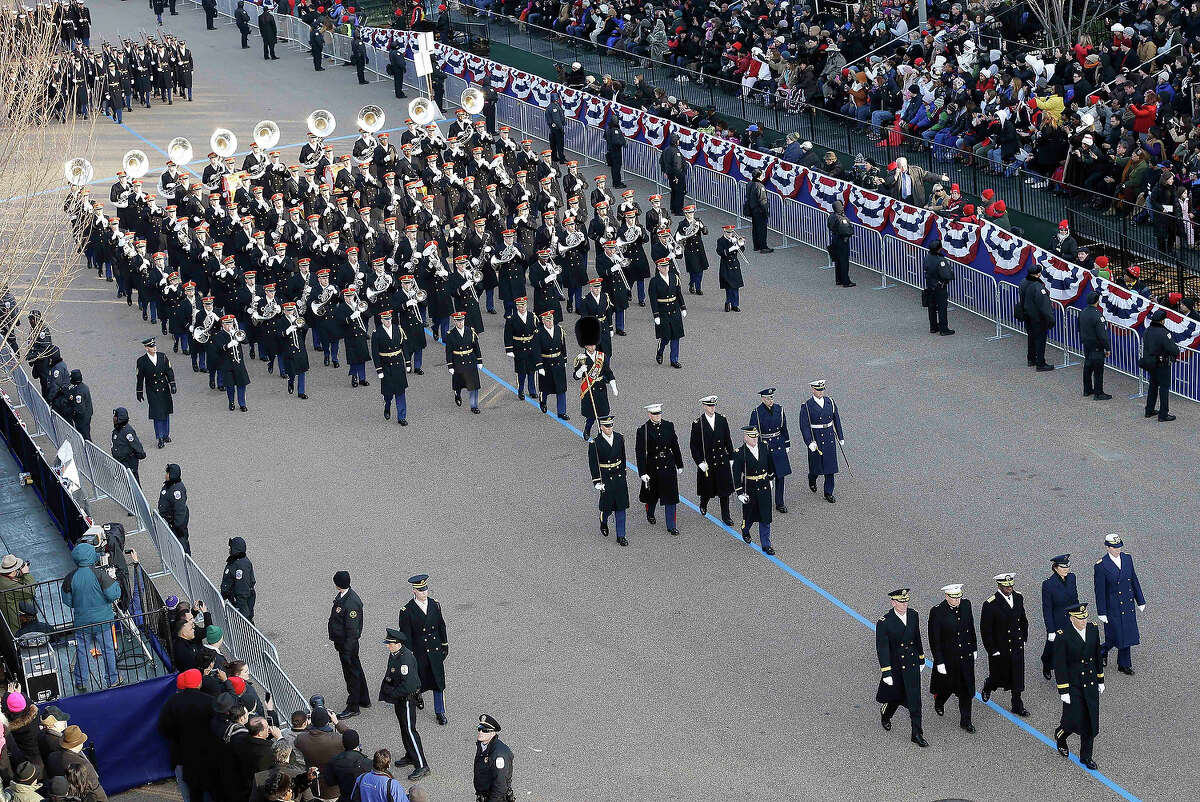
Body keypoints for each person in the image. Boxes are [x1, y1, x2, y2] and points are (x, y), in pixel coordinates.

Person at [62, 542, 122, 693]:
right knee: (108, 649)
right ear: (91, 556)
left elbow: (68, 601)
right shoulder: (100, 574)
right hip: (103, 621)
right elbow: (113, 594)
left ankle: (81, 681)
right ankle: (112, 679)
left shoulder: (70, 577)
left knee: (82, 650)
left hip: (82, 622)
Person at [1053, 602, 1103, 770]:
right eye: (1080, 619)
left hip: (1089, 683)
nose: (1084, 621)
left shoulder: (1093, 629)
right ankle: (1060, 735)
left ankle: (1086, 757)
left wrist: (1100, 679)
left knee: (1090, 720)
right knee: (1072, 720)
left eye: (1085, 618)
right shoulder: (1063, 636)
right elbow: (1059, 664)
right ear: (1071, 618)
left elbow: (1096, 656)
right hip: (1073, 685)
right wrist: (1063, 689)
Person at [876, 588, 927, 747]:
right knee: (896, 697)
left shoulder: (913, 615)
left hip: (911, 662)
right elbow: (882, 648)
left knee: (915, 700)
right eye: (901, 601)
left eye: (906, 601)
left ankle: (916, 733)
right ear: (893, 602)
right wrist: (886, 672)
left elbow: (917, 637)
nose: (904, 604)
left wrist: (921, 658)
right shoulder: (884, 622)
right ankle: (886, 714)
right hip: (896, 664)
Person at [397, 575, 449, 727]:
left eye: (425, 589)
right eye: (420, 590)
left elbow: (441, 626)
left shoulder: (434, 605)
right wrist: (408, 654)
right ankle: (417, 695)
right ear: (414, 591)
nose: (424, 592)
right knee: (418, 680)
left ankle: (440, 711)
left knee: (438, 682)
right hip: (419, 651)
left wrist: (444, 644)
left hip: (434, 650)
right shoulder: (407, 611)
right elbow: (406, 635)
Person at [378, 629, 429, 782]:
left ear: (398, 644)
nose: (388, 646)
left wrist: (392, 693)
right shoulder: (395, 654)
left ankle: (422, 764)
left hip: (406, 699)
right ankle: (410, 754)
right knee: (403, 728)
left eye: (390, 644)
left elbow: (409, 685)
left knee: (410, 730)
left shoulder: (405, 659)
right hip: (399, 699)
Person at [928, 583, 977, 733]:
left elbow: (971, 627)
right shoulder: (937, 612)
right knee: (947, 686)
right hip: (949, 658)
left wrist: (974, 647)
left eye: (959, 597)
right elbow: (934, 638)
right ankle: (939, 701)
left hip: (965, 657)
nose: (957, 601)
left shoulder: (966, 605)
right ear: (947, 596)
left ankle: (966, 720)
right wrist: (939, 661)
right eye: (954, 598)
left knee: (966, 690)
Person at [1094, 533, 1146, 676]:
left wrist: (1140, 600)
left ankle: (1124, 664)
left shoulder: (1127, 559)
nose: (1118, 550)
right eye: (1114, 547)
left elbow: (1133, 580)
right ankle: (1101, 652)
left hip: (1127, 604)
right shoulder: (1101, 566)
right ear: (1107, 548)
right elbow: (1100, 591)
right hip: (1113, 607)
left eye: (1119, 547)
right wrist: (1102, 612)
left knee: (1127, 635)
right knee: (1114, 636)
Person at [980, 572, 1030, 716]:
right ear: (999, 586)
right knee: (998, 676)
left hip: (1016, 645)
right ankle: (988, 686)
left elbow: (1023, 620)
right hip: (1000, 647)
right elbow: (986, 629)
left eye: (1011, 586)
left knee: (1018, 676)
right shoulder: (990, 604)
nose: (1010, 589)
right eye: (1006, 587)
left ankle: (1017, 705)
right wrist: (992, 649)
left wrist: (1024, 638)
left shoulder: (1018, 597)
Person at [635, 403, 684, 537]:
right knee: (652, 496)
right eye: (655, 414)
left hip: (668, 464)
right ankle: (650, 512)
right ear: (650, 414)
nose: (658, 416)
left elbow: (675, 445)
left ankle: (672, 526)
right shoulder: (643, 430)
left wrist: (679, 464)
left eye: (659, 413)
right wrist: (642, 472)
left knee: (671, 497)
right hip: (653, 466)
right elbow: (640, 453)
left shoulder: (669, 426)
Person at [329, 570, 371, 718]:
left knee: (351, 675)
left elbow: (352, 631)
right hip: (345, 643)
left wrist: (346, 651)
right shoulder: (344, 596)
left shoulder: (351, 602)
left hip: (348, 645)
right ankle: (364, 699)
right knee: (356, 670)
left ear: (337, 584)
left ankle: (353, 706)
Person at [689, 395, 734, 525]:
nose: (712, 408)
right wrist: (699, 462)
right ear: (704, 406)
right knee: (708, 490)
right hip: (708, 462)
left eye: (713, 405)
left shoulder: (722, 420)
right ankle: (703, 503)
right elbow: (694, 446)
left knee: (724, 491)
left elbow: (727, 439)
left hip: (721, 461)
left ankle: (726, 516)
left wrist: (731, 457)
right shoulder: (698, 424)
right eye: (709, 405)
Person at [797, 380, 845, 503]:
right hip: (816, 437)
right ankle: (812, 478)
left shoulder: (830, 402)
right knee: (816, 466)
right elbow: (804, 426)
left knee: (830, 467)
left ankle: (828, 492)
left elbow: (836, 419)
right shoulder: (807, 406)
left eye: (822, 390)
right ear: (813, 390)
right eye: (818, 390)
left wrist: (840, 436)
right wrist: (809, 442)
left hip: (829, 437)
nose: (820, 392)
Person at [732, 425, 776, 555]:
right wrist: (739, 492)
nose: (755, 439)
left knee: (765, 517)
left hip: (764, 486)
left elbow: (770, 463)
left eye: (756, 436)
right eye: (752, 437)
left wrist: (770, 478)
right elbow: (735, 475)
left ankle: (766, 544)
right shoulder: (740, 453)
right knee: (750, 515)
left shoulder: (764, 447)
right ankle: (745, 529)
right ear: (745, 438)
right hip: (750, 487)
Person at [588, 415, 629, 546]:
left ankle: (621, 535)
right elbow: (593, 464)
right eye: (606, 426)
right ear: (601, 427)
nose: (609, 428)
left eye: (611, 425)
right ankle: (603, 520)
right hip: (606, 477)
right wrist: (597, 481)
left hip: (619, 477)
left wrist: (624, 472)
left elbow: (623, 456)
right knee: (607, 507)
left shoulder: (619, 437)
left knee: (621, 507)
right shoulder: (595, 443)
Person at [748, 388, 790, 513]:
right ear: (762, 399)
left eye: (771, 398)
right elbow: (753, 433)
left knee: (780, 475)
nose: (770, 400)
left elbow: (784, 428)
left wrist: (787, 443)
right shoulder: (756, 413)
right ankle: (763, 501)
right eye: (767, 398)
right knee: (764, 477)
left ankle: (779, 502)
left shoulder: (779, 410)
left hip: (778, 445)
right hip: (765, 446)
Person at [1040, 555, 1078, 681]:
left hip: (1071, 619)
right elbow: (1047, 609)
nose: (1066, 569)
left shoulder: (1072, 578)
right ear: (1055, 568)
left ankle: (1067, 672)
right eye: (1063, 567)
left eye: (1067, 566)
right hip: (1057, 622)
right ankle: (1046, 662)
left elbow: (1075, 599)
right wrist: (1050, 630)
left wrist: (1078, 616)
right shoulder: (1048, 585)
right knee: (1053, 646)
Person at [135, 337, 177, 449]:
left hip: (164, 388)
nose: (154, 348)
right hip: (152, 390)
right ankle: (160, 437)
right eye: (151, 346)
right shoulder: (142, 361)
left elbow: (169, 371)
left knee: (166, 411)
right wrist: (139, 392)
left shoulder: (162, 357)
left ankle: (166, 434)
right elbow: (140, 378)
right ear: (146, 348)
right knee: (157, 414)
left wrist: (172, 384)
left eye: (154, 346)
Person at [371, 309, 409, 425]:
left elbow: (404, 346)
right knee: (388, 393)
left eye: (389, 319)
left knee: (400, 392)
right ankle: (387, 406)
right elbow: (375, 353)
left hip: (398, 364)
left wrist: (407, 362)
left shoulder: (398, 329)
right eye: (385, 319)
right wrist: (379, 369)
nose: (388, 321)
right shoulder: (377, 333)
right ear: (382, 320)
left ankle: (401, 417)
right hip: (386, 366)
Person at [1142, 308, 1180, 421]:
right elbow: (1173, 349)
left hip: (1151, 363)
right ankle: (1163, 414)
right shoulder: (1164, 333)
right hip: (1162, 364)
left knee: (1153, 386)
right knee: (1164, 388)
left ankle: (1149, 410)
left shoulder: (1148, 330)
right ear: (1163, 320)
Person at [648, 257, 685, 368]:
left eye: (667, 266)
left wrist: (683, 307)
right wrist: (656, 315)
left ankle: (674, 359)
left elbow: (678, 294)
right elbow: (653, 299)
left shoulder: (674, 277)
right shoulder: (654, 281)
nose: (665, 268)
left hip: (674, 310)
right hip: (663, 311)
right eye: (663, 267)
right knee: (666, 337)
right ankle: (660, 350)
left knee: (676, 336)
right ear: (658, 268)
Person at [1018, 263, 1055, 371]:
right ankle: (1040, 363)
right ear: (1038, 274)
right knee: (1040, 340)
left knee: (1031, 337)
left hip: (1027, 315)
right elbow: (1043, 305)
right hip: (1038, 318)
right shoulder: (1038, 287)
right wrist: (1050, 319)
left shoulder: (1023, 282)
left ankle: (1031, 359)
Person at [445, 311, 483, 413]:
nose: (460, 323)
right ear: (454, 322)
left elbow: (476, 347)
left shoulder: (470, 331)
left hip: (470, 360)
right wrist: (450, 366)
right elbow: (448, 352)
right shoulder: (450, 335)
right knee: (459, 383)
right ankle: (457, 393)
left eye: (461, 320)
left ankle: (474, 406)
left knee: (473, 385)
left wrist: (479, 360)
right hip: (458, 361)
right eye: (458, 321)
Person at [1077, 291, 1111, 399]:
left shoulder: (1083, 312)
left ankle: (1087, 389)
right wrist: (1107, 348)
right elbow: (1103, 335)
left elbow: (1078, 327)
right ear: (1097, 301)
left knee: (1087, 367)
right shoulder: (1098, 316)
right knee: (1098, 370)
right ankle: (1098, 393)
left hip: (1087, 344)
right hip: (1097, 346)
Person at [474, 714, 514, 802]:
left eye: (485, 730)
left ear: (493, 733)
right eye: (479, 729)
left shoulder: (499, 754)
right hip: (484, 795)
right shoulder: (483, 744)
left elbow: (500, 784)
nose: (481, 732)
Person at [327, 730, 372, 799]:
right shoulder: (368, 763)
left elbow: (330, 782)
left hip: (345, 797)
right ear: (358, 743)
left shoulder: (334, 761)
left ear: (343, 743)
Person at [221, 536, 256, 622]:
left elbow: (242, 587)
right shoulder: (235, 561)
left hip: (241, 600)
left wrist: (239, 604)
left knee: (244, 620)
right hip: (234, 598)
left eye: (231, 548)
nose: (229, 549)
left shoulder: (241, 565)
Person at [922, 242, 954, 336]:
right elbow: (946, 274)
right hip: (940, 287)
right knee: (942, 308)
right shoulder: (940, 260)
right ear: (939, 249)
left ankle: (933, 327)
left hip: (930, 286)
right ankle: (944, 329)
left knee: (931, 307)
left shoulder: (927, 257)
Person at [159, 463, 191, 554]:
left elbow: (180, 510)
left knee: (181, 544)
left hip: (176, 525)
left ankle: (186, 562)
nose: (165, 475)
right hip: (169, 521)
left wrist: (176, 525)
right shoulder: (170, 485)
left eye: (167, 473)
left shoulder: (177, 491)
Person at [110, 406, 146, 483]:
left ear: (120, 418)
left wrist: (141, 454)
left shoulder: (128, 432)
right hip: (120, 461)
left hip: (129, 462)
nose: (113, 418)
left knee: (133, 482)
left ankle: (137, 495)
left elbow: (136, 444)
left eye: (115, 416)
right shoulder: (117, 430)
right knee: (126, 483)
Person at [715, 225, 745, 312]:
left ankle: (735, 304)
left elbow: (742, 249)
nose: (730, 234)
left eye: (731, 232)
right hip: (726, 265)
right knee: (728, 287)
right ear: (724, 232)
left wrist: (739, 244)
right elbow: (720, 252)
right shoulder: (720, 241)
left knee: (735, 287)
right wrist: (731, 248)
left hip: (735, 264)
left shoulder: (734, 239)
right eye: (728, 232)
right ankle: (728, 303)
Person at [743, 170, 773, 253]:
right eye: (762, 175)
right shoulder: (760, 186)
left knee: (755, 228)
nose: (763, 176)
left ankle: (756, 246)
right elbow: (763, 200)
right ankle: (763, 247)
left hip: (752, 209)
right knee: (762, 229)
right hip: (759, 211)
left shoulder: (749, 183)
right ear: (759, 176)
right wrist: (766, 211)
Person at [659, 134, 689, 215]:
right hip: (677, 175)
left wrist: (665, 171)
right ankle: (678, 210)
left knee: (674, 191)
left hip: (670, 174)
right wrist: (680, 175)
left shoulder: (666, 149)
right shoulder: (676, 152)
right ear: (676, 141)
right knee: (679, 192)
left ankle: (673, 208)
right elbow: (677, 165)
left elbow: (661, 161)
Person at [827, 201, 855, 286]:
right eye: (841, 206)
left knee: (838, 261)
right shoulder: (841, 218)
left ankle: (838, 280)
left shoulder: (831, 216)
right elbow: (846, 230)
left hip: (835, 239)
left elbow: (829, 226)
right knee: (844, 262)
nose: (843, 207)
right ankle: (846, 282)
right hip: (842, 241)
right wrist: (850, 233)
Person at [68, 369, 94, 441]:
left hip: (82, 419)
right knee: (86, 433)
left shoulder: (78, 392)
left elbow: (80, 409)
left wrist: (74, 414)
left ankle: (88, 450)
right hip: (87, 414)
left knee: (85, 436)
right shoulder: (83, 386)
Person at [604, 115, 626, 188]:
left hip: (610, 151)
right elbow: (616, 141)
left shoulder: (608, 129)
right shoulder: (615, 130)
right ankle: (617, 183)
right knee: (617, 168)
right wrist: (623, 142)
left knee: (613, 168)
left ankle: (615, 182)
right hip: (616, 151)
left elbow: (605, 137)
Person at [545, 95, 566, 163]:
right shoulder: (554, 108)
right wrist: (560, 127)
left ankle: (554, 157)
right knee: (559, 144)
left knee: (553, 143)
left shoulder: (550, 106)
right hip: (556, 128)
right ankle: (561, 158)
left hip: (552, 128)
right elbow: (556, 119)